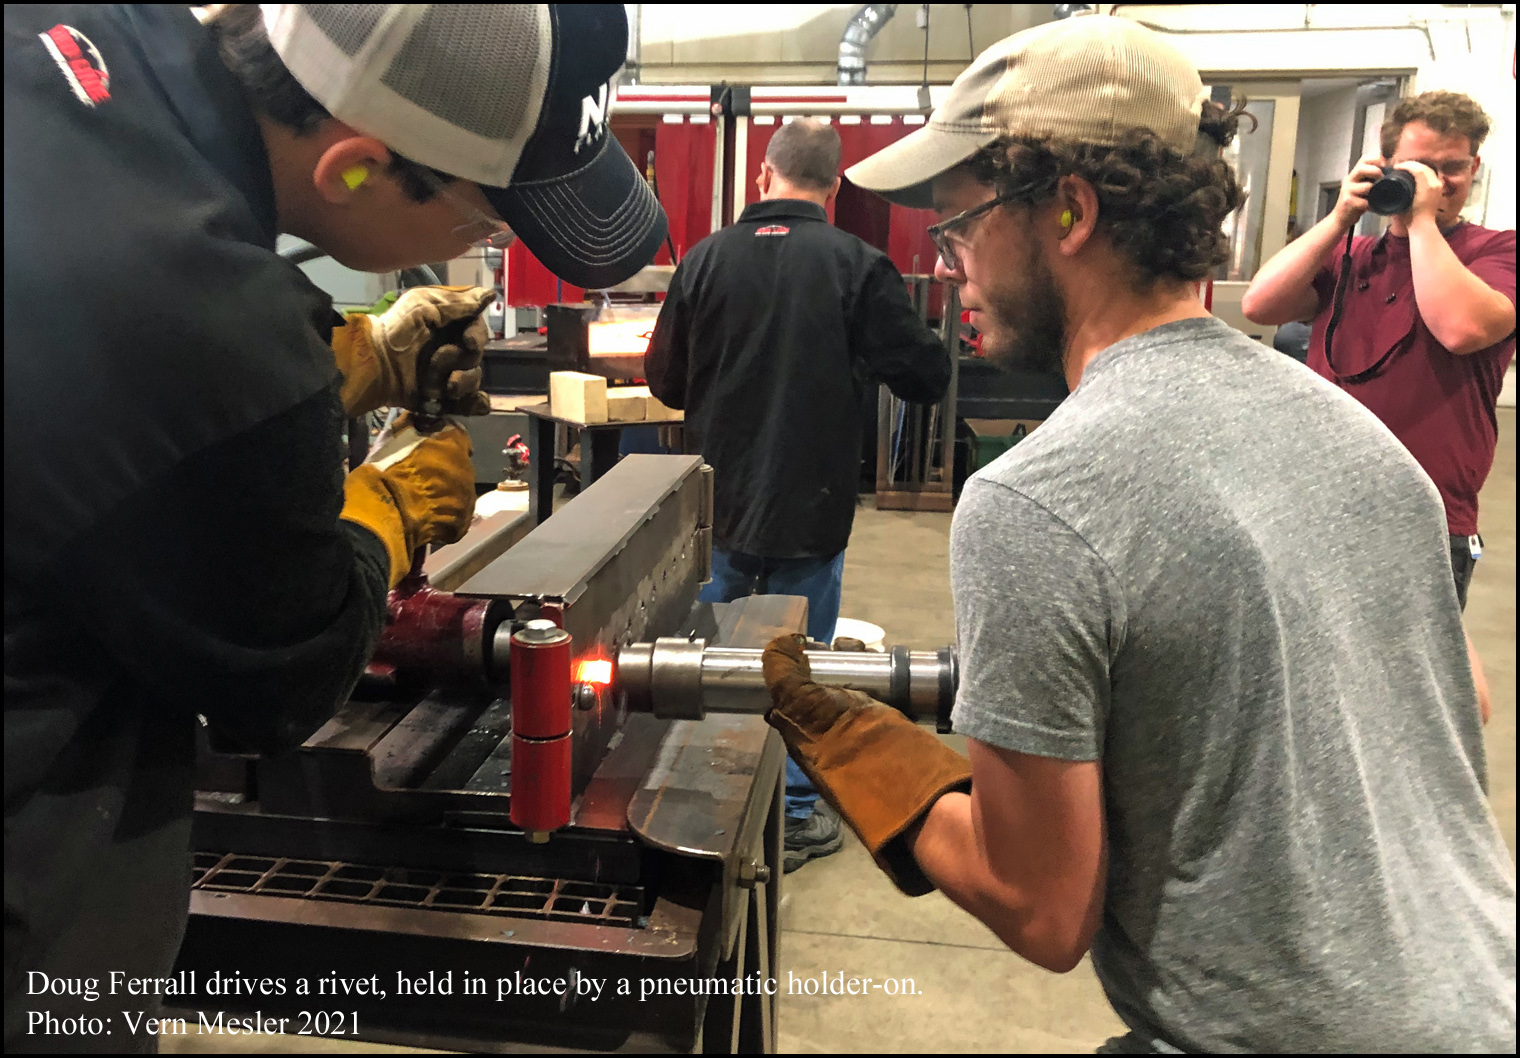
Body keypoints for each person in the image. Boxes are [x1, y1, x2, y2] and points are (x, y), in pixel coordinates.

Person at [759, 15, 1514, 1051]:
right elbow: (1458, 694)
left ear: (1067, 209)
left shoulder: (1038, 500)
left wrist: (871, 752)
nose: (954, 268)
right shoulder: (1361, 440)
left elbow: (1041, 907)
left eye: (960, 225)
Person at [4, 4, 664, 1051]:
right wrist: (386, 510)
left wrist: (347, 353)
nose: (485, 251)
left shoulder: (79, 39)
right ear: (354, 167)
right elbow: (283, 670)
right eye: (486, 221)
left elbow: (89, 377)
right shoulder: (200, 321)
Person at [645, 118, 950, 871]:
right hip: (811, 504)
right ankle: (797, 809)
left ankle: (701, 794)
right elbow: (924, 376)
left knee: (708, 650)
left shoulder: (707, 260)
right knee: (798, 659)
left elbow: (665, 380)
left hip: (720, 502)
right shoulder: (858, 265)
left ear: (762, 175)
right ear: (834, 186)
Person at [1243, 91, 1515, 619]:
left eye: (1452, 168)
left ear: (1475, 166)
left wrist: (1422, 221)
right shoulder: (1354, 255)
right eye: (1421, 169)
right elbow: (1260, 304)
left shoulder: (1495, 252)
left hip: (1426, 515)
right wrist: (1341, 216)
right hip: (1319, 502)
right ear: (1386, 168)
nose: (1437, 182)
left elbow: (1460, 329)